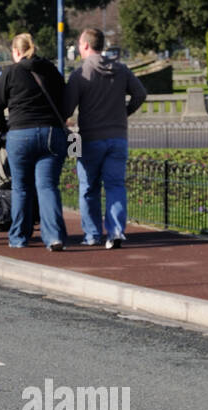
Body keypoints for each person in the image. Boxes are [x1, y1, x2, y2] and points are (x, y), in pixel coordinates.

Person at [63, 27, 147, 249]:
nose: (79, 49)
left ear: (87, 45)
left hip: (90, 137)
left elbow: (67, 109)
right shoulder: (121, 70)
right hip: (118, 136)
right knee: (115, 185)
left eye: (80, 45)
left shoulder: (81, 74)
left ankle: (92, 235)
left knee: (88, 187)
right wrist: (124, 112)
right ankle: (116, 231)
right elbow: (140, 94)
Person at [0, 33, 68, 251]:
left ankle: (19, 237)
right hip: (51, 133)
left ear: (16, 52)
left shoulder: (10, 72)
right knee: (47, 186)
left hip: (20, 134)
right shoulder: (51, 70)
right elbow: (65, 99)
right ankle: (54, 237)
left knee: (21, 188)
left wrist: (4, 129)